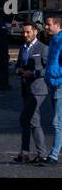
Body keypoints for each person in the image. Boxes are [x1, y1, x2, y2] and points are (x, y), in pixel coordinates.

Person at [15, 19, 48, 164]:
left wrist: (33, 73)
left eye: (28, 32)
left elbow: (48, 69)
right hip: (25, 88)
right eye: (23, 32)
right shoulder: (23, 47)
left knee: (28, 119)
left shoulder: (43, 48)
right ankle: (26, 153)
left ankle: (40, 153)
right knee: (29, 121)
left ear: (35, 32)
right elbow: (17, 65)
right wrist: (19, 70)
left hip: (38, 90)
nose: (25, 34)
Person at [43, 12, 62, 164]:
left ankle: (54, 155)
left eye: (49, 24)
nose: (46, 27)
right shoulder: (54, 40)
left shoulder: (60, 41)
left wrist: (54, 73)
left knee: (57, 122)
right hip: (53, 84)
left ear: (58, 25)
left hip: (60, 84)